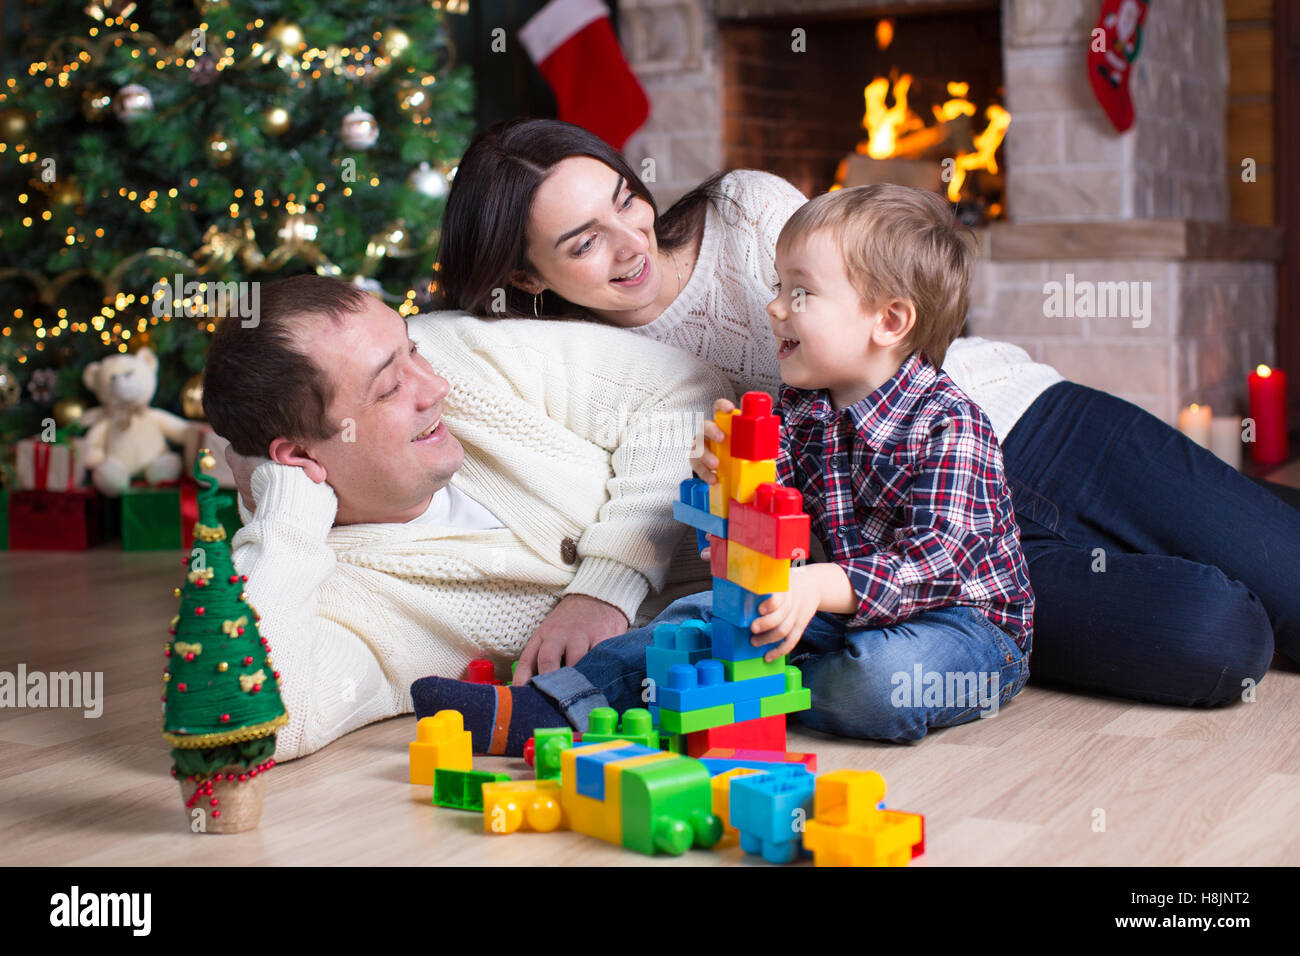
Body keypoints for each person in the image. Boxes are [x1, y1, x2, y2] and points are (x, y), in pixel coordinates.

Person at [431, 117, 1300, 719]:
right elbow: (673, 512)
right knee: (1215, 639)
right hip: (913, 558)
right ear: (531, 278)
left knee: (1283, 573)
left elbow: (891, 311)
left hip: (1028, 428)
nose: (629, 240)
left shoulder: (742, 212)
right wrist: (616, 583)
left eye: (625, 198)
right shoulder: (569, 369)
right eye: (583, 241)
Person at [204, 273, 733, 760]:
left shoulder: (459, 354)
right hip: (744, 687)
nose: (434, 387)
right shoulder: (331, 595)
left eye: (412, 350)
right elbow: (248, 726)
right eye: (389, 388)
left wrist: (609, 582)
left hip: (805, 567)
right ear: (298, 456)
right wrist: (287, 516)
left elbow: (688, 392)